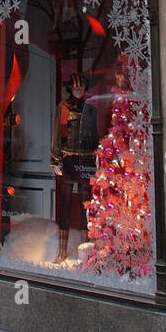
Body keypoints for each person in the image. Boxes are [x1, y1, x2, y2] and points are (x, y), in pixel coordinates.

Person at [51, 73, 99, 263]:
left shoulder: (91, 110)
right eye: (75, 88)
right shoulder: (62, 108)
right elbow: (56, 134)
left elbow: (94, 136)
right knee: (65, 204)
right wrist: (55, 160)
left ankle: (85, 251)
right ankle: (62, 252)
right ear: (70, 88)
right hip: (68, 159)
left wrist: (97, 159)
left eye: (81, 88)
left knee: (85, 204)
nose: (78, 91)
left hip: (86, 160)